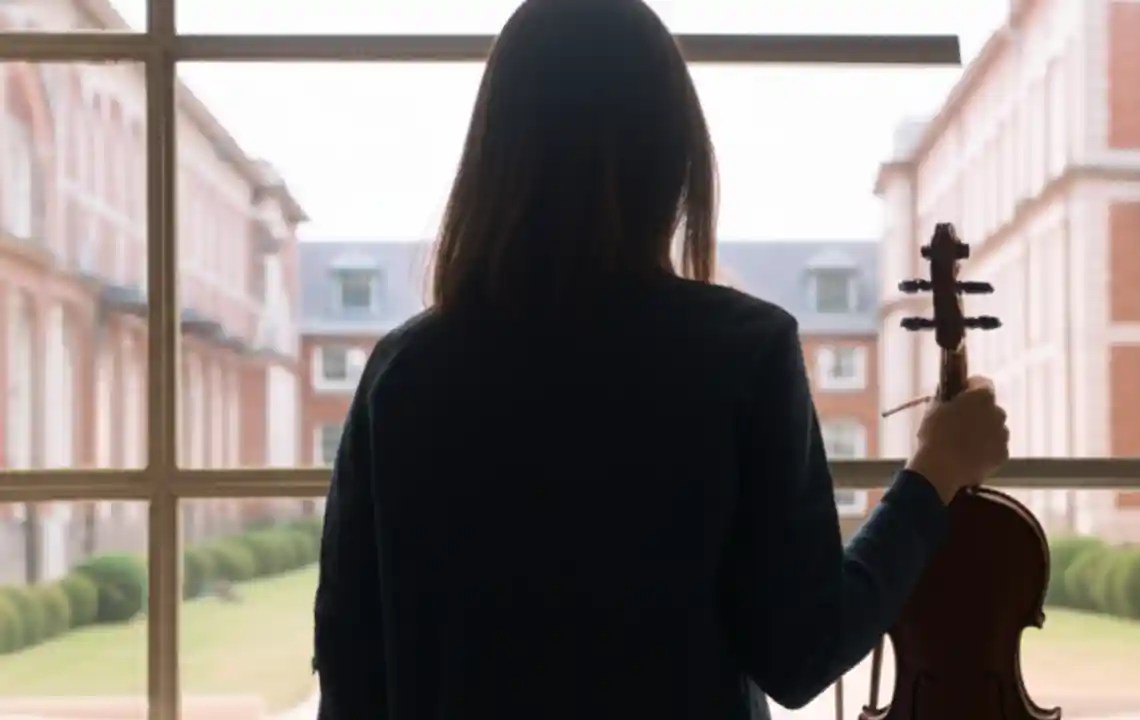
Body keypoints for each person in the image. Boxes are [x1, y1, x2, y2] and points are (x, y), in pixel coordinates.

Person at [311, 0, 1010, 718]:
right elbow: (802, 651)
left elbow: (349, 673)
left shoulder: (400, 373)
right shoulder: (743, 352)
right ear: (673, 159)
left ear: (491, 157)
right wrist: (934, 476)